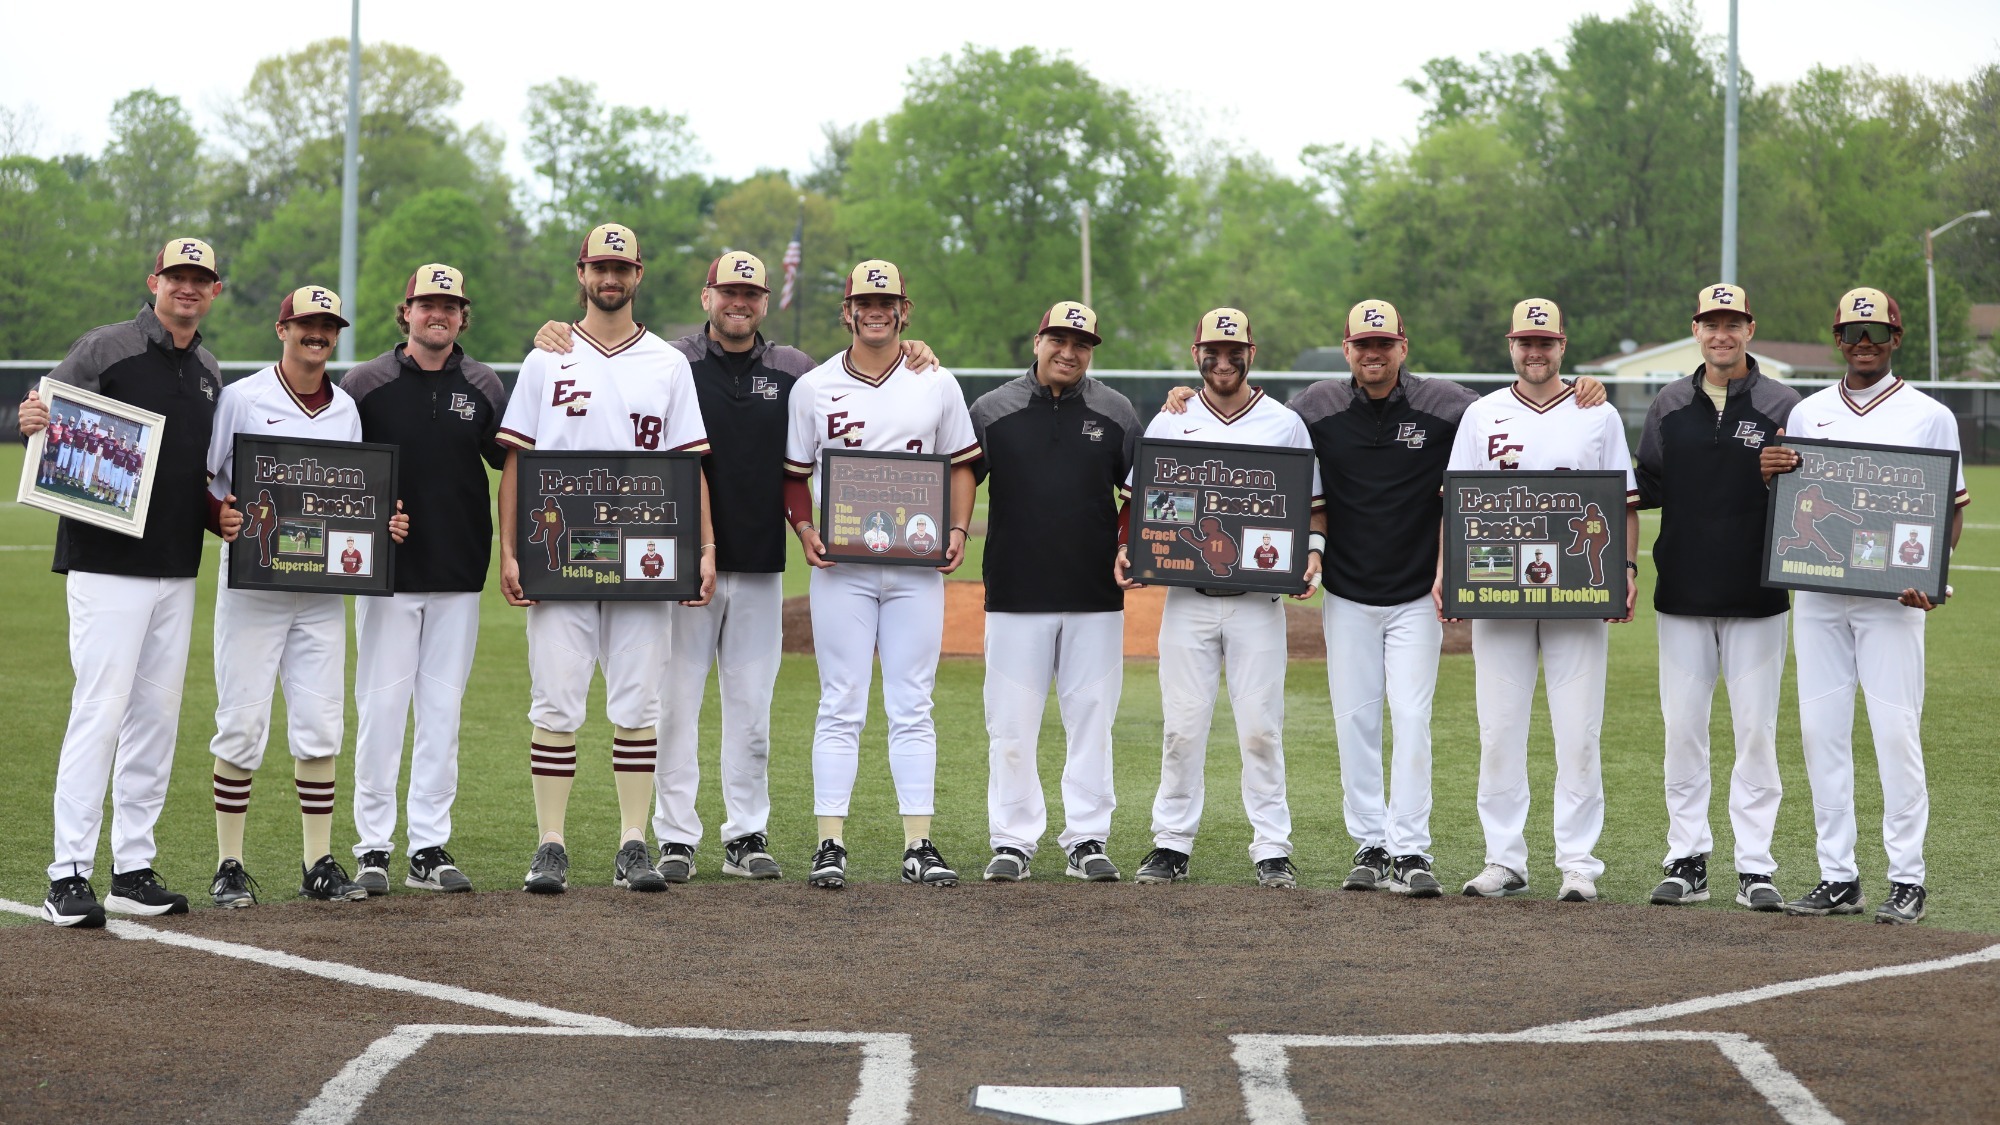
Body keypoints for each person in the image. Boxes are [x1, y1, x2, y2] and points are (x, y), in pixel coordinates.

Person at [531, 251, 940, 884]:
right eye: (728, 292)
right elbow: (604, 375)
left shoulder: (795, 373)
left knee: (751, 712)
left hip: (759, 562)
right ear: (707, 297)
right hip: (674, 564)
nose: (738, 303)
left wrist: (915, 350)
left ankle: (745, 833)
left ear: (765, 301)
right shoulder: (671, 362)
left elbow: (843, 394)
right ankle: (674, 836)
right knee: (674, 708)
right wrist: (553, 333)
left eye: (750, 293)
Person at [24, 238, 243, 927]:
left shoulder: (209, 369)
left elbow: (195, 474)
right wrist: (29, 418)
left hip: (176, 568)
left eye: (199, 279)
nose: (187, 287)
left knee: (154, 721)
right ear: (154, 281)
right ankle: (66, 873)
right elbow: (42, 416)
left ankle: (132, 869)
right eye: (177, 275)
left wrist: (220, 515)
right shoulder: (106, 346)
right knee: (101, 711)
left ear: (214, 291)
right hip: (104, 563)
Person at [498, 222, 716, 895]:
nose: (610, 278)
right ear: (582, 271)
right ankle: (551, 845)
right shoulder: (546, 358)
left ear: (639, 273)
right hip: (559, 558)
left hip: (643, 561)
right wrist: (508, 551)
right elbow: (516, 462)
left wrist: (704, 548)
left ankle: (631, 842)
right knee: (556, 703)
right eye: (600, 266)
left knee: (637, 703)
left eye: (621, 267)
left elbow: (689, 467)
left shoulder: (669, 362)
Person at [1760, 287, 1968, 925]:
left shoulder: (1929, 414)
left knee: (1895, 734)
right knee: (1822, 735)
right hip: (1820, 595)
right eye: (1853, 333)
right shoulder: (1808, 410)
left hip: (1891, 601)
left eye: (1876, 331)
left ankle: (1907, 877)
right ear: (1838, 340)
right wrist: (1769, 469)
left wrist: (1930, 575)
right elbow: (1789, 499)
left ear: (1895, 338)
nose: (1865, 342)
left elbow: (1949, 511)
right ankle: (1837, 875)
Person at [205, 285, 409, 908]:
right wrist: (222, 518)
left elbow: (352, 495)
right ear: (282, 328)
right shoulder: (242, 398)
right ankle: (229, 864)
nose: (316, 334)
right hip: (255, 583)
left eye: (327, 326)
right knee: (241, 723)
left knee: (321, 727)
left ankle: (318, 861)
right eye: (305, 324)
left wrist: (384, 526)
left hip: (322, 589)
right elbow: (210, 480)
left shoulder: (346, 408)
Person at [784, 258, 979, 888]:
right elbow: (793, 476)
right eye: (864, 302)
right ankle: (829, 844)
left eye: (887, 301)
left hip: (916, 568)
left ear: (903, 310)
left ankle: (918, 843)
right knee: (840, 702)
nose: (875, 310)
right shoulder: (812, 386)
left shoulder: (935, 381)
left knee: (912, 704)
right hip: (842, 567)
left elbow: (961, 466)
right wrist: (806, 531)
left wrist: (955, 530)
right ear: (846, 311)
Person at [1115, 307, 1325, 889]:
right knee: (1182, 726)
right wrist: (1127, 546)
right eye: (1213, 351)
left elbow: (1312, 505)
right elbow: (1140, 502)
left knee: (1261, 727)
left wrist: (1313, 552)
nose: (1223, 360)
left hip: (1259, 599)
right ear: (1196, 354)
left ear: (1251, 354)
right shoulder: (1170, 419)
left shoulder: (1283, 423)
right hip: (1187, 596)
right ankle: (1171, 842)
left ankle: (1272, 847)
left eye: (1235, 351)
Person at [1443, 298, 1637, 904]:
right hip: (1498, 584)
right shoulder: (1481, 414)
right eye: (1525, 342)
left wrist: (1625, 568)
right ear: (1510, 346)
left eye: (1545, 342)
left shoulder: (1596, 414)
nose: (1535, 352)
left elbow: (1622, 503)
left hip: (1577, 585)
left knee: (1577, 730)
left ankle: (1577, 862)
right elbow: (1458, 501)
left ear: (1563, 345)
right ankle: (1504, 859)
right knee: (1499, 730)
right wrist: (1449, 573)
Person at [340, 263, 505, 895]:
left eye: (451, 305)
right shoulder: (366, 384)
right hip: (387, 577)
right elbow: (334, 471)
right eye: (426, 303)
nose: (438, 314)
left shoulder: (485, 385)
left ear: (464, 315)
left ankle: (429, 847)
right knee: (381, 709)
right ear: (404, 310)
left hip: (460, 571)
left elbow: (513, 466)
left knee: (442, 713)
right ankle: (374, 847)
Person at [1635, 283, 1801, 911]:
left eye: (1732, 323)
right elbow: (1646, 483)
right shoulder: (1669, 403)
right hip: (1681, 589)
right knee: (1683, 729)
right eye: (1711, 323)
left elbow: (1812, 488)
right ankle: (1687, 858)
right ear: (1696, 330)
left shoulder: (1784, 402)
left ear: (1749, 329)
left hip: (1756, 592)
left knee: (1756, 730)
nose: (1721, 334)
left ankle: (1755, 865)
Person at [969, 301, 1142, 883]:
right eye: (1059, 340)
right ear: (1037, 341)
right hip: (1016, 591)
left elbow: (1141, 496)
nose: (1069, 352)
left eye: (1082, 343)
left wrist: (1126, 543)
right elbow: (961, 479)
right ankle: (1013, 840)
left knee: (1092, 719)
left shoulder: (1116, 412)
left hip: (1095, 593)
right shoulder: (992, 410)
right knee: (1011, 726)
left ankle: (1087, 838)